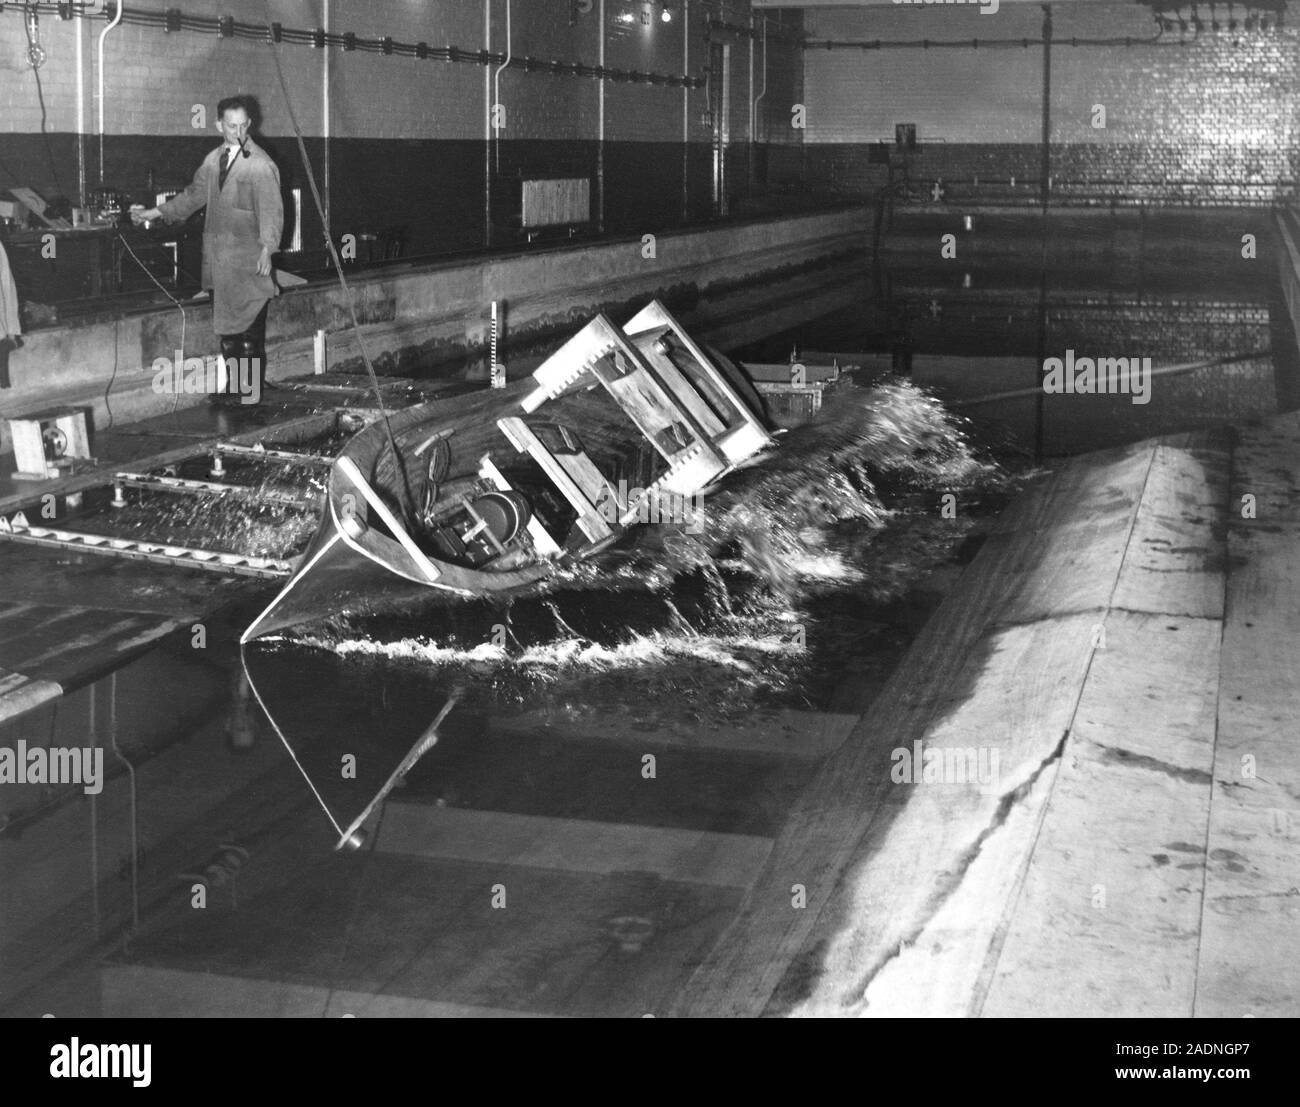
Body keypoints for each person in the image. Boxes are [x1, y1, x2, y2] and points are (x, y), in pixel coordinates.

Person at [133, 94, 283, 403]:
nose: (238, 133)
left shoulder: (261, 164)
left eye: (243, 126)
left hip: (249, 261)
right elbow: (192, 196)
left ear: (250, 124)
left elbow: (272, 211)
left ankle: (250, 394)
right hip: (219, 261)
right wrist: (155, 213)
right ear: (219, 126)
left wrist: (268, 249)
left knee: (249, 333)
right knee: (228, 332)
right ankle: (234, 389)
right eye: (231, 126)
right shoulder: (213, 161)